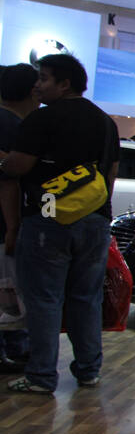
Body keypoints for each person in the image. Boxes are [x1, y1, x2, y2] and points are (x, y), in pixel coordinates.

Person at [0, 54, 119, 393]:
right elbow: (110, 173)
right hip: (95, 219)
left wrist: (4, 163)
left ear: (64, 84)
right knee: (86, 297)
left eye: (45, 79)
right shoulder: (105, 122)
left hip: (48, 217)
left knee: (45, 299)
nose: (37, 85)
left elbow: (19, 166)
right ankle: (88, 370)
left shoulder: (42, 120)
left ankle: (41, 376)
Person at [0, 64, 41, 372]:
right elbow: (9, 181)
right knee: (10, 289)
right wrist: (13, 227)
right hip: (4, 222)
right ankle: (15, 349)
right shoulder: (16, 127)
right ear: (32, 91)